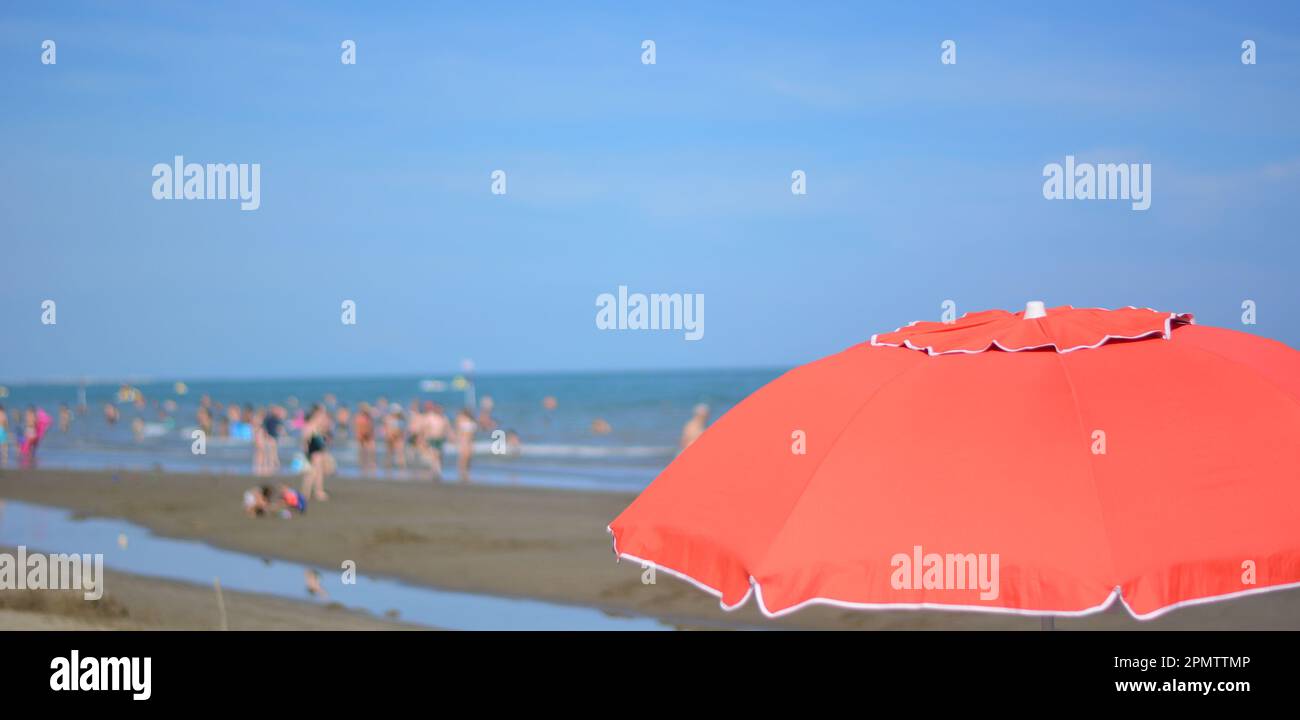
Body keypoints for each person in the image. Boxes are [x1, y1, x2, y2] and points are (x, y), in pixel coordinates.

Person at [301, 406, 332, 502]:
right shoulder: (311, 425)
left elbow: (322, 438)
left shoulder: (316, 425)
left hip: (317, 450)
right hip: (314, 451)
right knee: (313, 472)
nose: (322, 417)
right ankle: (310, 492)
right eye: (320, 415)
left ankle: (314, 491)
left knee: (317, 472)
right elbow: (306, 438)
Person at [453, 408, 477, 482]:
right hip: (463, 440)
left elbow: (473, 433)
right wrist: (457, 439)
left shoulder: (472, 420)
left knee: (468, 457)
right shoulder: (460, 418)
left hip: (470, 441)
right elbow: (457, 429)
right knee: (463, 457)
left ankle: (466, 472)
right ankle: (461, 472)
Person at [353, 403, 377, 476]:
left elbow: (371, 426)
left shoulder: (369, 417)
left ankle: (371, 463)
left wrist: (371, 433)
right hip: (361, 434)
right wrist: (358, 434)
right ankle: (363, 464)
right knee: (362, 450)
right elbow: (357, 426)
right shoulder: (359, 417)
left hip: (368, 435)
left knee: (371, 449)